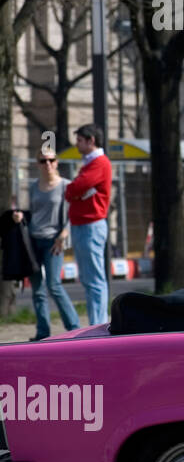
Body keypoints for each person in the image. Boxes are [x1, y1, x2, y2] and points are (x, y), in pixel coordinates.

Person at [14, 155, 79, 339]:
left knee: (54, 285)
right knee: (37, 290)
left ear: (57, 162)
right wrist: (20, 217)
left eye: (51, 160)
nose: (47, 164)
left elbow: (71, 213)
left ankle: (74, 327)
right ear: (38, 164)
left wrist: (63, 236)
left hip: (54, 241)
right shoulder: (34, 186)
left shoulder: (65, 185)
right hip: (33, 241)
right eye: (43, 160)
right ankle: (42, 332)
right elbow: (31, 213)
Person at [65, 124, 112, 326]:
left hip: (90, 226)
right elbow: (75, 191)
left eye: (80, 140)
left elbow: (74, 188)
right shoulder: (90, 163)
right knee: (89, 279)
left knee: (94, 280)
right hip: (84, 226)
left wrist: (76, 192)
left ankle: (98, 324)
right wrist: (77, 192)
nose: (77, 144)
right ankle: (96, 322)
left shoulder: (99, 163)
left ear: (91, 140)